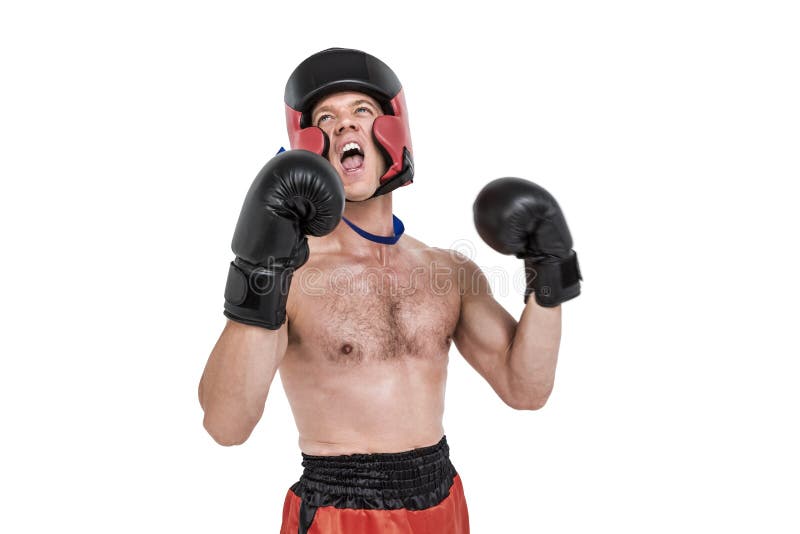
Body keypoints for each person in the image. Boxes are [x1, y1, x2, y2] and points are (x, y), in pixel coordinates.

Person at [198, 48, 581, 534]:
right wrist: (259, 273)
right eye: (327, 118)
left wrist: (551, 269)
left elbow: (526, 389)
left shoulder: (449, 271)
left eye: (362, 111)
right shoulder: (291, 276)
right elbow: (225, 426)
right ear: (309, 146)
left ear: (391, 132)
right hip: (340, 511)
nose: (345, 126)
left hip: (444, 500)